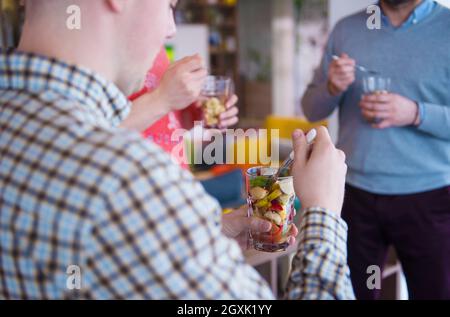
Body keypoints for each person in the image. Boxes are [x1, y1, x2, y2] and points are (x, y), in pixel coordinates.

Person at [0, 0, 353, 299]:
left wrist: (209, 232)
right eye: (169, 4)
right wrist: (322, 211)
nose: (170, 30)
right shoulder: (128, 179)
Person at [302, 0, 450, 299]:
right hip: (353, 196)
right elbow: (311, 109)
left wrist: (415, 113)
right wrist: (331, 87)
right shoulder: (346, 30)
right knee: (352, 294)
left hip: (429, 198)